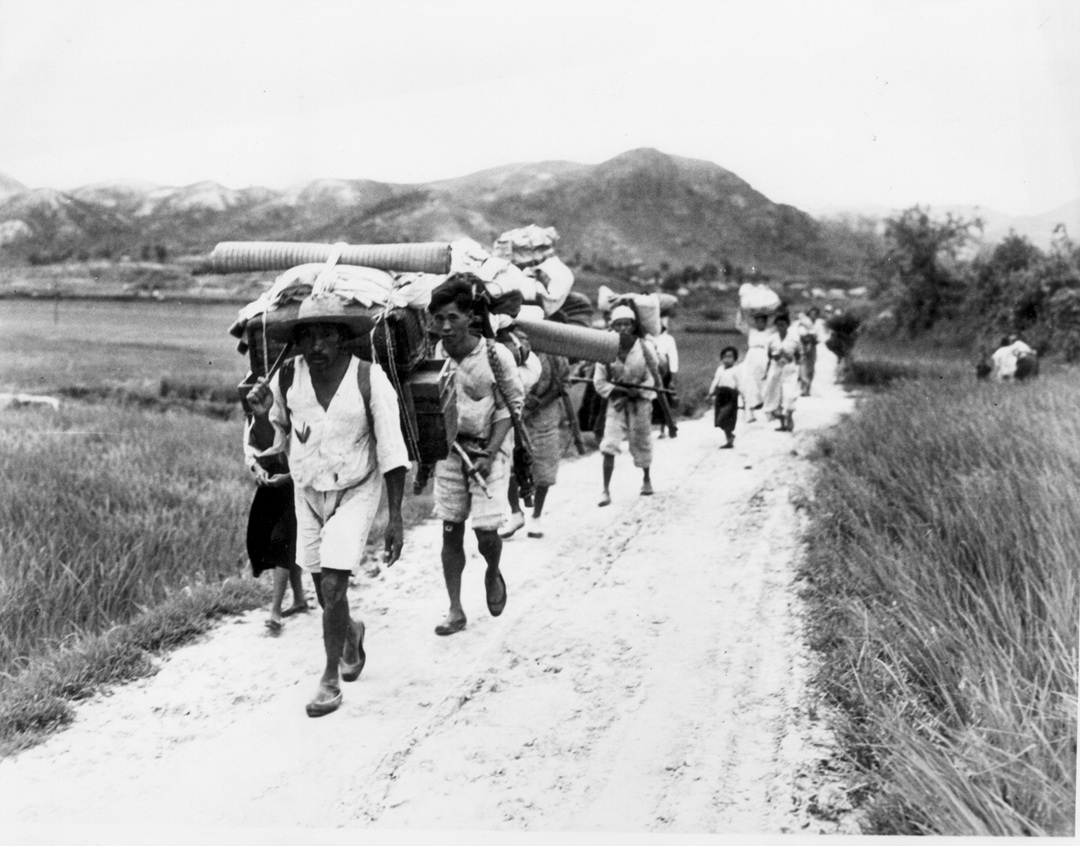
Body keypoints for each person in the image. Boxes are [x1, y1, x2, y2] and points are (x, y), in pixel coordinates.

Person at [246, 306, 409, 718]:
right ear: (296, 342)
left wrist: (396, 516)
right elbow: (271, 441)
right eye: (307, 337)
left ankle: (329, 679)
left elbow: (392, 449)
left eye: (327, 335)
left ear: (343, 337)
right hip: (308, 492)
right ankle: (351, 632)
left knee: (334, 586)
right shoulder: (288, 378)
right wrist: (262, 415)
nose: (316, 346)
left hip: (356, 489)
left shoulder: (369, 378)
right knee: (324, 591)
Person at [427, 275, 525, 636]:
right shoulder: (431, 358)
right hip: (449, 452)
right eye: (439, 319)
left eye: (453, 317)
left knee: (485, 534)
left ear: (470, 317)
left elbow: (511, 407)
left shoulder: (495, 356)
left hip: (490, 449)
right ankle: (455, 610)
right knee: (450, 530)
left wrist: (490, 452)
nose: (445, 327)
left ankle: (492, 571)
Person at [502, 351, 570, 540]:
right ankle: (515, 512)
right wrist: (522, 400)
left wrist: (540, 402)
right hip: (513, 412)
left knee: (545, 466)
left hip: (545, 416)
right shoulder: (507, 350)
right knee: (507, 462)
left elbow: (563, 383)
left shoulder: (554, 354)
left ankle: (537, 515)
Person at [594, 305, 657, 506]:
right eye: (618, 324)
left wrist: (638, 390)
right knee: (609, 443)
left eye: (626, 324)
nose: (622, 328)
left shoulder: (644, 348)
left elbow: (652, 376)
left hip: (640, 401)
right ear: (612, 326)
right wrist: (620, 390)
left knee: (641, 440)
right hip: (617, 402)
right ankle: (605, 490)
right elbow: (599, 381)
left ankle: (646, 478)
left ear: (633, 326)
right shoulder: (605, 350)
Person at [245, 451, 309, 635]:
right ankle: (299, 599)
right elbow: (250, 452)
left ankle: (275, 611)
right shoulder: (253, 428)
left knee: (282, 540)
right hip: (270, 485)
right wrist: (258, 469)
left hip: (296, 484)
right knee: (269, 539)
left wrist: (288, 476)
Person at [762, 312, 801, 432]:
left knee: (789, 395)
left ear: (787, 325)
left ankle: (789, 417)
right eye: (778, 325)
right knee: (775, 396)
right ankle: (782, 423)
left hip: (790, 370)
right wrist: (775, 358)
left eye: (783, 324)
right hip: (776, 370)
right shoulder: (771, 339)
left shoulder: (794, 339)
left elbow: (798, 356)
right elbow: (768, 356)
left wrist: (798, 370)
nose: (780, 327)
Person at [705, 345, 745, 449]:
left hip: (731, 397)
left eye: (730, 357)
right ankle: (729, 438)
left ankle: (730, 438)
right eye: (725, 357)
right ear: (721, 359)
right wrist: (710, 393)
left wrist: (743, 397)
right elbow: (716, 381)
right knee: (720, 420)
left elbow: (740, 384)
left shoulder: (736, 370)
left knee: (726, 417)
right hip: (720, 396)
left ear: (735, 359)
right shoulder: (720, 369)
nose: (727, 359)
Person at [741, 313, 772, 422]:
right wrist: (741, 311)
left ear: (765, 322)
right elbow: (740, 324)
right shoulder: (751, 331)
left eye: (762, 321)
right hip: (751, 356)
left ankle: (768, 410)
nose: (759, 323)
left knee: (764, 382)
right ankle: (750, 411)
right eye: (757, 321)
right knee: (749, 381)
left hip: (763, 355)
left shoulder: (770, 331)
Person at [653, 315, 679, 437]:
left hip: (665, 373)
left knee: (664, 399)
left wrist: (672, 378)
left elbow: (673, 358)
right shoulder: (650, 339)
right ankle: (658, 427)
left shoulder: (668, 339)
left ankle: (665, 427)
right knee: (654, 401)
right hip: (652, 372)